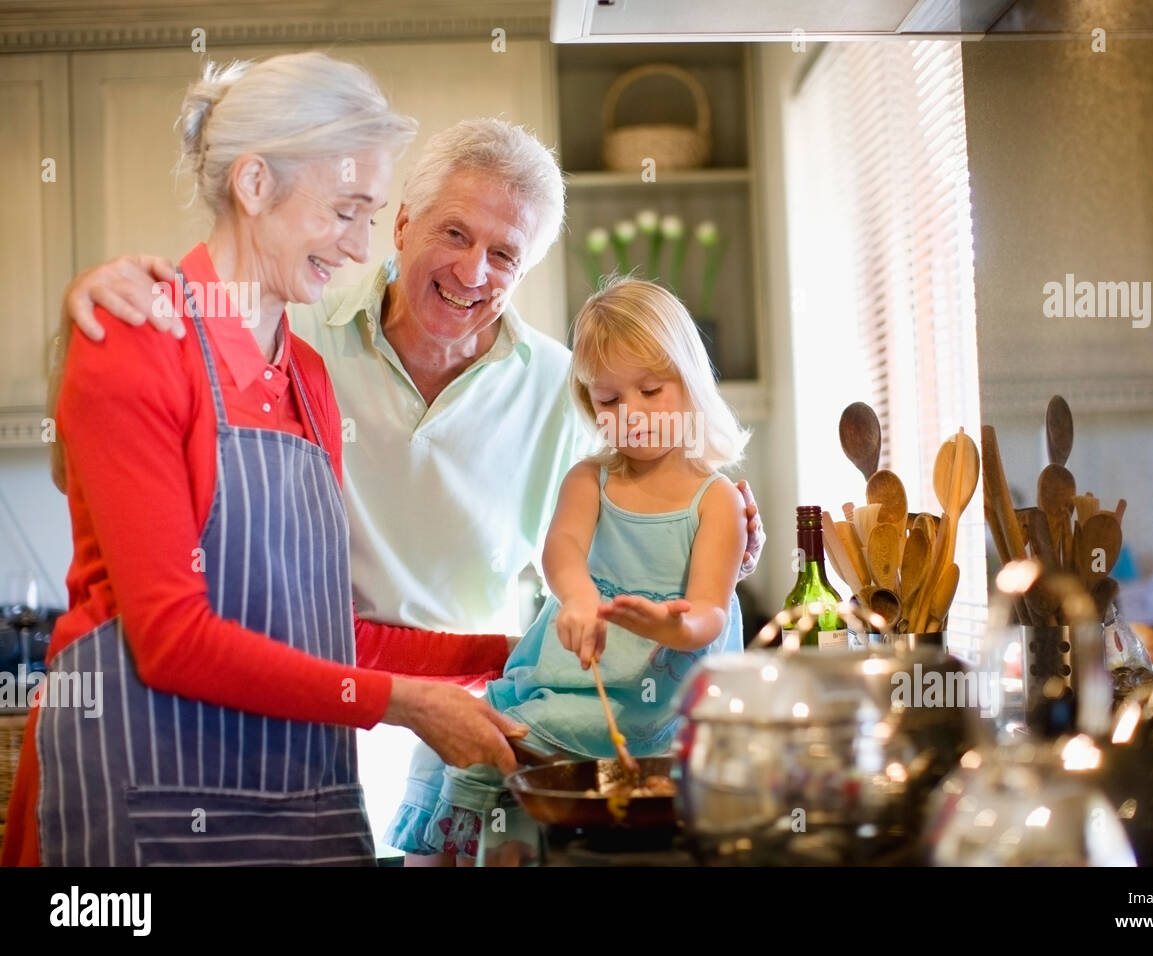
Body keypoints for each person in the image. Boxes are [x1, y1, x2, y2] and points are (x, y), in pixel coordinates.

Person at [57, 117, 767, 866]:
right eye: (454, 235)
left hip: (479, 729)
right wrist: (102, 302)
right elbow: (106, 473)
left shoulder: (572, 392)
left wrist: (708, 559)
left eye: (503, 255)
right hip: (280, 716)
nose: (472, 272)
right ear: (401, 224)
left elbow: (643, 517)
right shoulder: (296, 342)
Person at [2, 53, 528, 868]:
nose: (361, 250)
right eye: (346, 212)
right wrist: (404, 706)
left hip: (289, 797)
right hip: (139, 793)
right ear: (254, 185)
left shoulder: (307, 376)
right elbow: (172, 639)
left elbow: (320, 634)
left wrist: (511, 655)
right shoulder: (137, 340)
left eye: (370, 216)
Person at [394, 277, 749, 865]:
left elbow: (710, 611)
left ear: (690, 384)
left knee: (508, 746)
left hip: (653, 700)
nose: (630, 413)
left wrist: (668, 626)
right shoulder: (590, 479)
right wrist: (579, 598)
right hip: (569, 674)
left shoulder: (717, 500)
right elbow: (561, 547)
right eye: (608, 400)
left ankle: (504, 849)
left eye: (650, 390)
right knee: (458, 738)